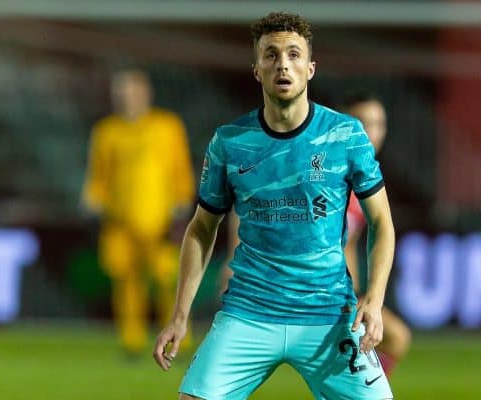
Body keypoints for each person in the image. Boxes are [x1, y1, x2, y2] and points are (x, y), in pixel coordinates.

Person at [153, 12, 395, 400]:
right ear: (256, 70)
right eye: (271, 55)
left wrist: (376, 299)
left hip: (329, 316)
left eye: (294, 54)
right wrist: (180, 317)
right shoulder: (229, 143)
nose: (283, 63)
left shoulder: (346, 135)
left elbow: (382, 222)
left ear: (310, 68)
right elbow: (201, 228)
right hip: (249, 313)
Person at [82, 69, 195, 356]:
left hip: (160, 220)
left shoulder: (167, 126)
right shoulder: (106, 131)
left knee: (168, 279)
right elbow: (99, 175)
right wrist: (92, 198)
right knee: (125, 281)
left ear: (146, 94)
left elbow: (181, 168)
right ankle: (131, 341)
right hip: (119, 220)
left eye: (131, 92)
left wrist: (183, 201)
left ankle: (178, 339)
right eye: (120, 94)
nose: (126, 99)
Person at [342, 92, 411, 375]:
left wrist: (361, 293)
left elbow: (351, 241)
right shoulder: (329, 173)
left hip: (344, 291)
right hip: (318, 289)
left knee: (393, 339)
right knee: (395, 338)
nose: (371, 132)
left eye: (378, 124)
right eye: (362, 123)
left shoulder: (366, 180)